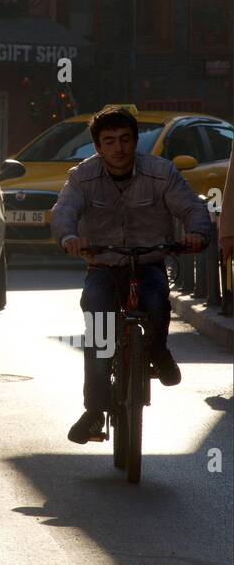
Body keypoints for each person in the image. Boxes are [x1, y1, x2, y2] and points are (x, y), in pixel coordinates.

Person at [50, 106, 211, 445]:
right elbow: (64, 211)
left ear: (135, 141)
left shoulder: (161, 172)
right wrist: (69, 237)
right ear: (98, 147)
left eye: (125, 139)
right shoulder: (82, 177)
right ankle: (94, 411)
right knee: (99, 336)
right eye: (109, 141)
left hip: (149, 262)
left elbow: (191, 206)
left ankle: (158, 352)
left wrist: (196, 232)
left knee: (155, 302)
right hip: (103, 266)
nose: (118, 148)